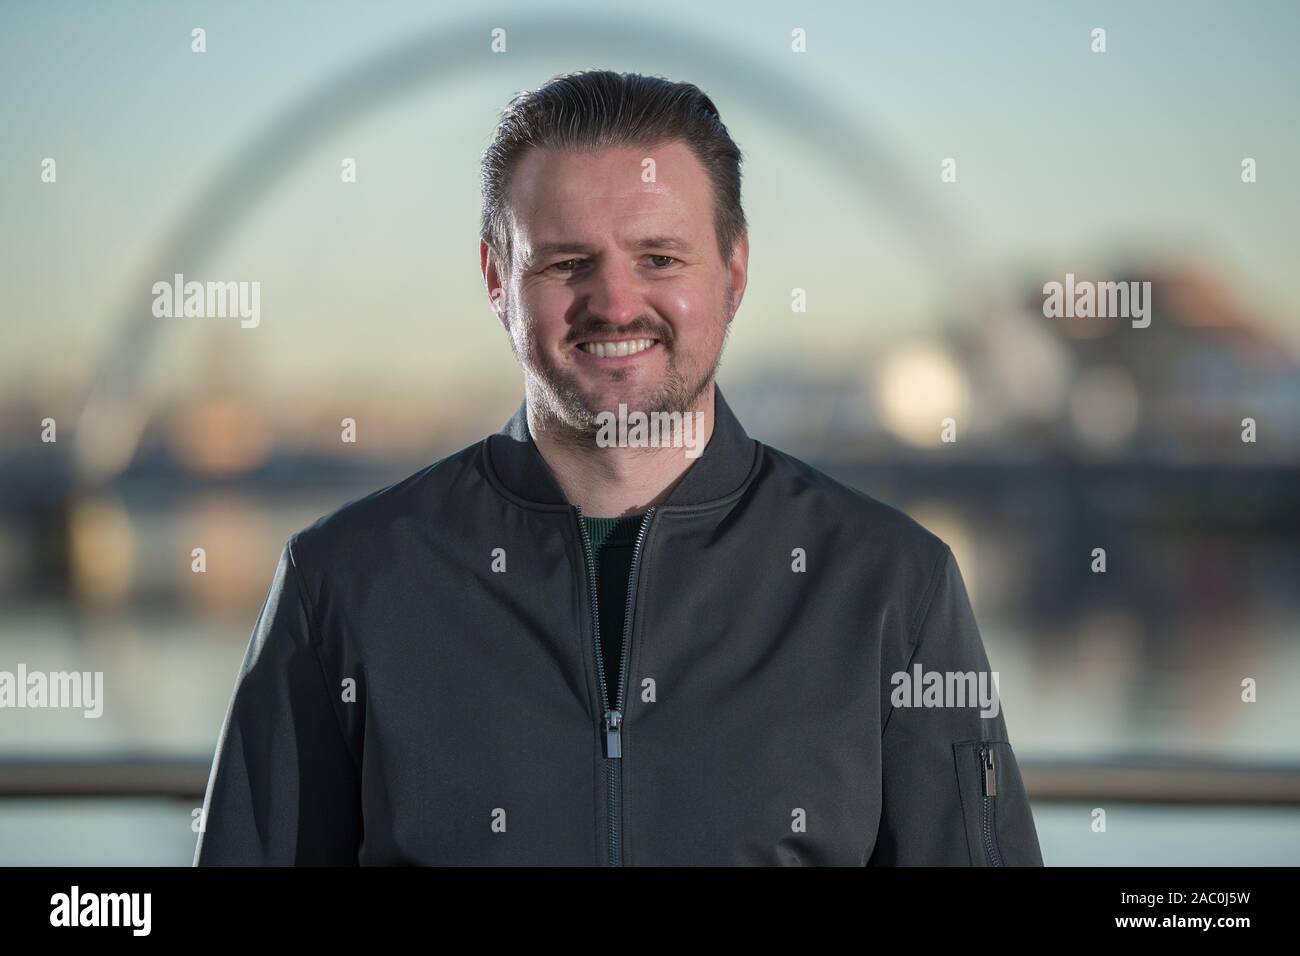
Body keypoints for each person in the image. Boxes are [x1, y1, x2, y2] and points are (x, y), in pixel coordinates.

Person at [194, 69, 1043, 866]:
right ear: (496, 278)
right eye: (567, 263)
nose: (615, 303)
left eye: (659, 258)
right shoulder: (343, 583)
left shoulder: (893, 588)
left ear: (736, 272)